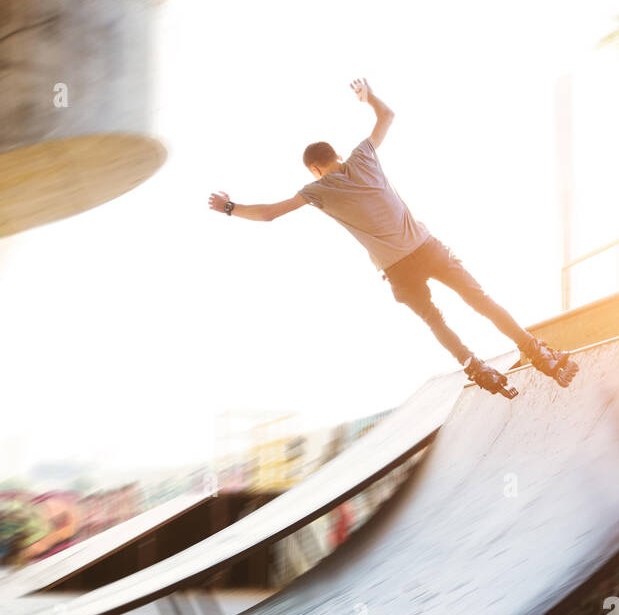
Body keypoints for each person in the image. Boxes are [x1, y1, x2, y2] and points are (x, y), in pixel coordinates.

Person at [207, 77, 575, 393]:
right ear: (335, 155)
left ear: (316, 168)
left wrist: (229, 207)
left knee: (435, 319)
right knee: (479, 300)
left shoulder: (317, 190)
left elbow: (270, 214)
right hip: (427, 248)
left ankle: (472, 364)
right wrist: (369, 97)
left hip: (398, 269)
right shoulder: (364, 155)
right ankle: (534, 348)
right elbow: (387, 116)